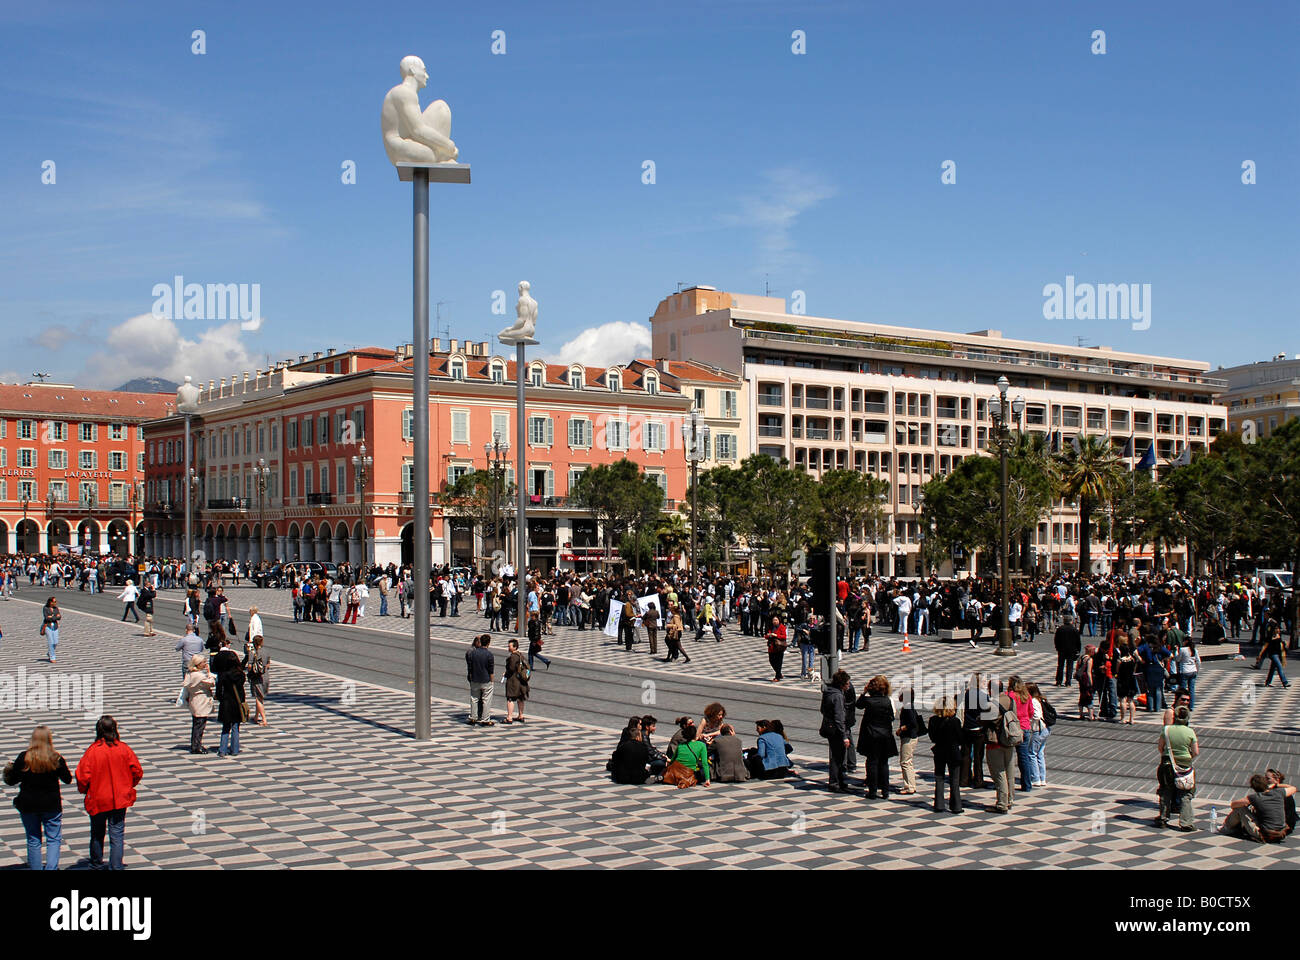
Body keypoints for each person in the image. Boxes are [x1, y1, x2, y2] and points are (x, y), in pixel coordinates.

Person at [74, 716, 143, 871]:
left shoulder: (93, 751)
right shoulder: (124, 749)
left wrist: (85, 790)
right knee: (117, 834)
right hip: (119, 798)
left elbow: (82, 776)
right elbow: (137, 771)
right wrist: (128, 785)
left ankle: (96, 863)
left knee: (97, 833)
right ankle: (116, 866)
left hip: (98, 798)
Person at [4, 725, 72, 869]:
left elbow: (12, 780)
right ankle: (51, 867)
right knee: (53, 839)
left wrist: (11, 769)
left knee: (33, 839)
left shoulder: (24, 757)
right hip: (51, 805)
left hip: (28, 804)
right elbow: (67, 779)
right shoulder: (55, 758)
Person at [1155, 705, 1198, 832]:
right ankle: (1186, 822)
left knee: (1165, 791)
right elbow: (1196, 751)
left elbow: (1160, 747)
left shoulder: (1167, 730)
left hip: (1167, 764)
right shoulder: (1190, 732)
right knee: (1186, 793)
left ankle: (1163, 818)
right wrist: (1187, 757)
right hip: (1184, 765)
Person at [856, 675, 898, 799]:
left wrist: (864, 693)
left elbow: (858, 705)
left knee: (872, 762)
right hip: (885, 735)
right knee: (884, 763)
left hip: (871, 735)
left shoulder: (869, 701)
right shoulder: (886, 701)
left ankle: (872, 791)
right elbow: (891, 716)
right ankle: (885, 791)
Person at [1220, 773, 1294, 843]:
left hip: (1266, 835)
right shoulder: (1279, 792)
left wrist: (1247, 803)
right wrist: (1275, 785)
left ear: (1253, 788)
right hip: (1281, 833)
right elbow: (1293, 788)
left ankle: (1225, 828)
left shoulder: (1254, 798)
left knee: (1241, 809)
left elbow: (1233, 805)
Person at [982, 681, 1019, 814]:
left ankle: (1002, 803)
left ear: (992, 690)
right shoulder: (1010, 700)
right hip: (1008, 740)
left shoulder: (992, 704)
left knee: (998, 773)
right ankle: (1010, 799)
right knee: (1009, 772)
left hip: (995, 741)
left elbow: (983, 720)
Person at [928, 696, 963, 814]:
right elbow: (960, 738)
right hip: (953, 751)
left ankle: (939, 804)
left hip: (939, 750)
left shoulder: (933, 720)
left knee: (939, 777)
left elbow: (932, 737)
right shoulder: (955, 721)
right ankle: (956, 805)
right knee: (954, 779)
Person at [820, 670, 852, 793]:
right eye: (847, 683)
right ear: (842, 684)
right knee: (837, 757)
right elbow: (839, 717)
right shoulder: (838, 696)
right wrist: (844, 735)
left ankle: (838, 780)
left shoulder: (828, 692)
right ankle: (835, 782)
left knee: (835, 755)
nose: (849, 685)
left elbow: (822, 710)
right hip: (837, 730)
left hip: (829, 727)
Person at [215, 649, 247, 758]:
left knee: (225, 728)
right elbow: (242, 691)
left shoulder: (223, 675)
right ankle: (235, 750)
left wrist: (220, 698)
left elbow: (219, 692)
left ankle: (222, 750)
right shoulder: (241, 675)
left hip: (226, 702)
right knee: (235, 727)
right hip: (237, 703)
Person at [181, 656, 215, 754]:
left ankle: (195, 744)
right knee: (200, 725)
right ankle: (196, 746)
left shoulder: (190, 673)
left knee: (196, 724)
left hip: (194, 700)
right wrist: (209, 673)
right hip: (201, 701)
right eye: (204, 662)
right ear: (198, 664)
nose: (205, 664)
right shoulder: (199, 676)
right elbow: (211, 683)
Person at [895, 686, 923, 795]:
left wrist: (901, 729)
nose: (899, 696)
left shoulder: (907, 707)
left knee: (905, 761)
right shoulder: (909, 706)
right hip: (911, 737)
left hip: (909, 737)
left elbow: (912, 723)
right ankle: (910, 785)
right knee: (907, 761)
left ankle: (909, 786)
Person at [466, 634, 495, 726]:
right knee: (486, 699)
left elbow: (470, 667)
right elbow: (491, 669)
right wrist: (491, 680)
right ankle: (485, 719)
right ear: (488, 643)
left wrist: (471, 676)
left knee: (474, 698)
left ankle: (473, 717)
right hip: (486, 679)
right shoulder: (489, 654)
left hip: (474, 678)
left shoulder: (472, 653)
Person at [1026, 682, 1051, 787]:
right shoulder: (1042, 699)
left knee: (1031, 753)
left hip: (1039, 729)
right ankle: (1042, 778)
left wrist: (1029, 719)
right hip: (1046, 728)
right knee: (1039, 753)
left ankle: (1035, 778)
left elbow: (1036, 716)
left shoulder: (1033, 701)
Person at [243, 635, 269, 726]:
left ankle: (264, 719)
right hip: (265, 676)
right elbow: (268, 665)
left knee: (258, 698)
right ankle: (256, 716)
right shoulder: (265, 651)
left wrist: (250, 673)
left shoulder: (252, 652)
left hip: (256, 677)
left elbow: (250, 666)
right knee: (260, 696)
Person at [504, 638, 529, 724]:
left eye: (509, 646)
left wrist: (505, 674)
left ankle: (509, 717)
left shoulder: (513, 657)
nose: (508, 647)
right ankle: (521, 715)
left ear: (515, 647)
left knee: (510, 698)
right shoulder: (520, 655)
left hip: (513, 680)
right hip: (522, 680)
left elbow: (511, 669)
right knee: (520, 698)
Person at [1261, 621, 1291, 689]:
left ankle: (1268, 682)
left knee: (1272, 669)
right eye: (1276, 629)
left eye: (1278, 629)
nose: (1278, 630)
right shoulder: (1270, 637)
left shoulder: (1279, 635)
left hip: (1278, 654)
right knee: (1279, 667)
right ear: (1273, 629)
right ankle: (1285, 682)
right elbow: (1266, 646)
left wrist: (1284, 644)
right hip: (1273, 654)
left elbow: (1279, 645)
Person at [1173, 637, 1201, 709]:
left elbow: (1178, 659)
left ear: (1186, 641)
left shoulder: (1183, 650)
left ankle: (1181, 704)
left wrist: (1176, 651)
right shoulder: (1194, 650)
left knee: (1183, 689)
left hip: (1185, 670)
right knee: (1191, 689)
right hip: (1193, 670)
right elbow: (1198, 661)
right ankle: (1191, 706)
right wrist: (1197, 670)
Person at [1053, 615, 1081, 686]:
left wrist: (1057, 647)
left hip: (1061, 649)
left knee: (1060, 665)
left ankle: (1059, 681)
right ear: (1071, 621)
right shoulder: (1074, 629)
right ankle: (1068, 682)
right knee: (1069, 666)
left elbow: (1056, 639)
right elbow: (1078, 641)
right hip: (1071, 650)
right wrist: (1078, 650)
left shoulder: (1060, 629)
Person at [766, 615, 789, 682]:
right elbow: (766, 635)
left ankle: (777, 676)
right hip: (772, 646)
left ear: (779, 621)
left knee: (779, 662)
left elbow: (784, 637)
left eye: (776, 620)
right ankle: (779, 673)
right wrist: (768, 635)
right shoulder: (771, 627)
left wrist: (776, 635)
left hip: (779, 647)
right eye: (773, 620)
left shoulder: (782, 627)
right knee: (771, 661)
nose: (774, 621)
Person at [41, 597, 60, 663]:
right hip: (48, 626)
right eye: (54, 602)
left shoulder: (56, 608)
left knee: (55, 642)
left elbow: (59, 617)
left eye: (56, 602)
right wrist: (54, 617)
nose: (55, 603)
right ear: (50, 602)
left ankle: (49, 652)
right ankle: (52, 657)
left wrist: (52, 617)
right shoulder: (45, 608)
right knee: (51, 642)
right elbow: (47, 618)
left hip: (55, 626)